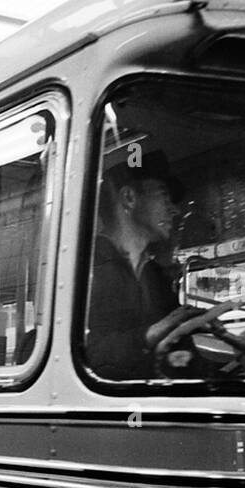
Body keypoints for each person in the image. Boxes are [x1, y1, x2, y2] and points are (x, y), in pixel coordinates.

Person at [84, 150, 206, 379]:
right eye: (163, 196)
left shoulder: (155, 276)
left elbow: (176, 352)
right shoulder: (87, 270)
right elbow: (88, 357)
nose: (174, 209)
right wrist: (153, 333)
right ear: (129, 198)